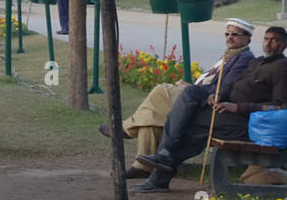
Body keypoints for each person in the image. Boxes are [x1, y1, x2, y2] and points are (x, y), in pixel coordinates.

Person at [131, 26, 287, 193]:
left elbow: (279, 105)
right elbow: (232, 83)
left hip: (246, 123)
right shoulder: (258, 61)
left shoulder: (282, 68)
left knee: (191, 123)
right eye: (266, 39)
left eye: (274, 40)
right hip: (226, 111)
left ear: (284, 45)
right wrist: (219, 96)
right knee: (190, 99)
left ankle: (161, 170)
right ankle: (162, 165)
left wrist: (237, 107)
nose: (269, 44)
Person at [100, 18, 256, 179]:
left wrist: (192, 89)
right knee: (150, 122)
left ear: (247, 38)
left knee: (162, 90)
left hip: (203, 101)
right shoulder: (229, 55)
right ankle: (142, 168)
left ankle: (124, 129)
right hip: (196, 94)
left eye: (235, 35)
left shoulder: (244, 58)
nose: (230, 37)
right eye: (227, 34)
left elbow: (223, 87)